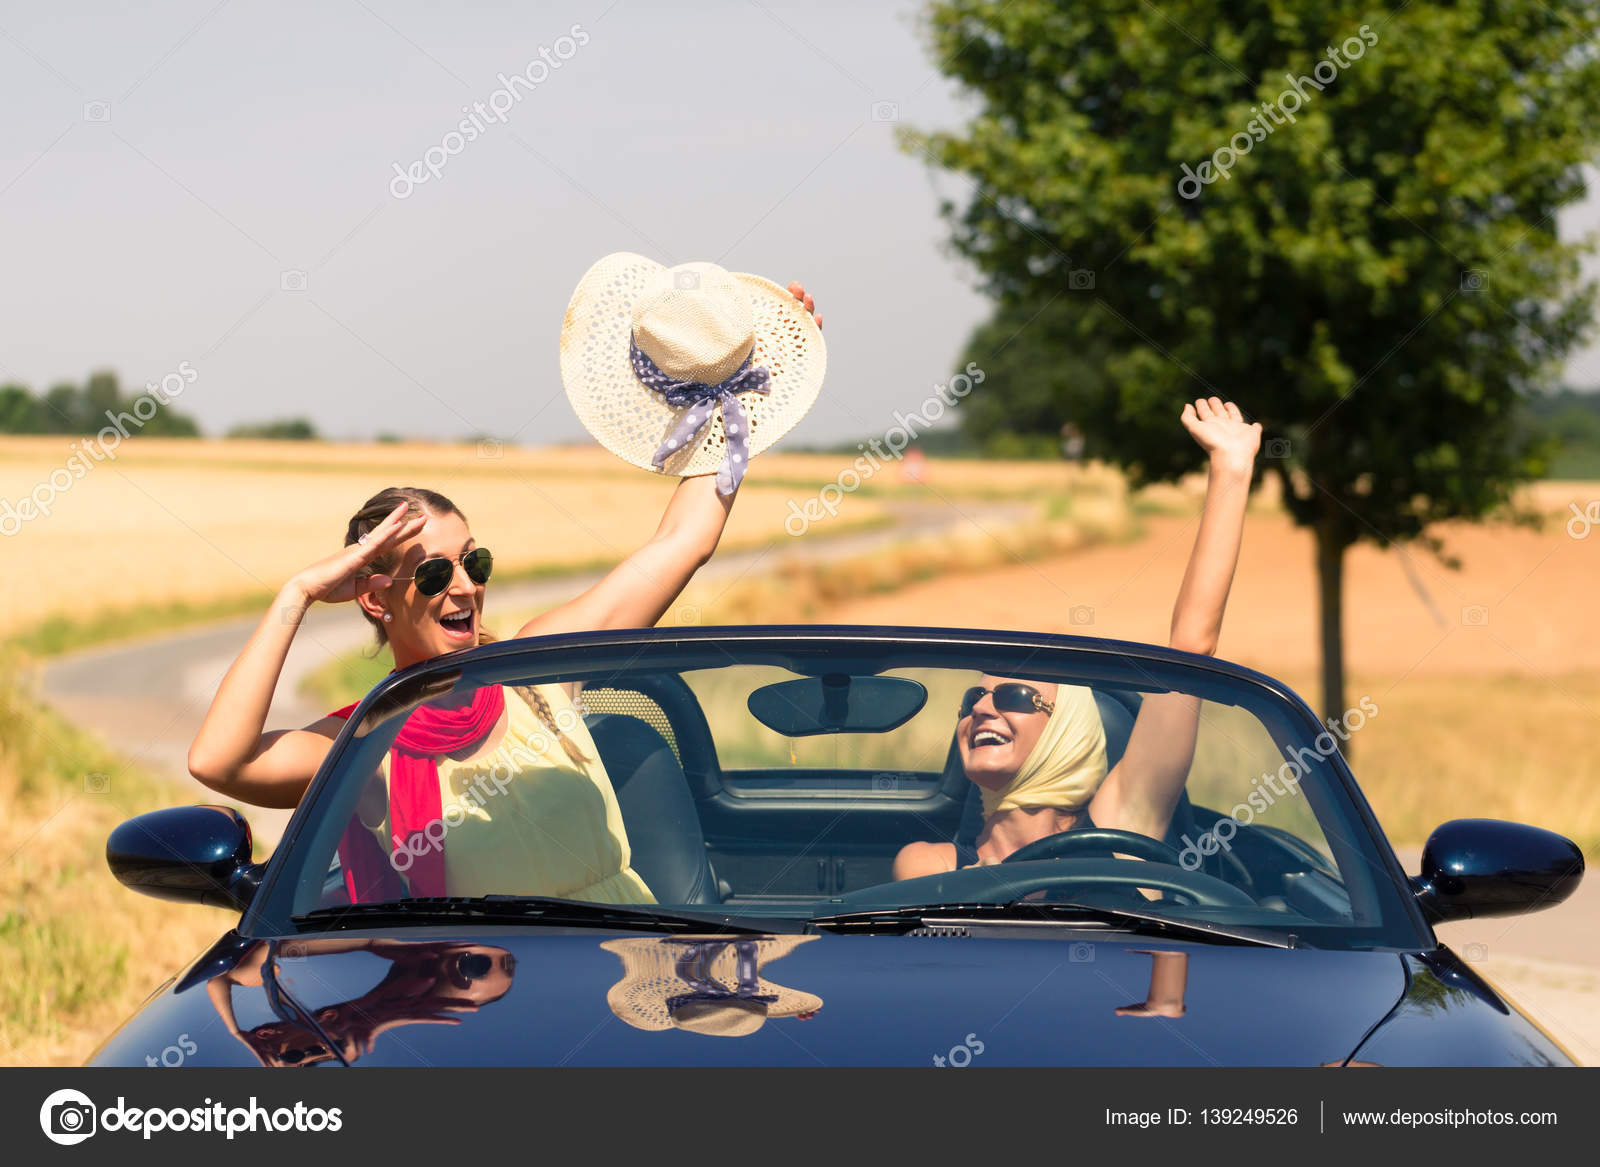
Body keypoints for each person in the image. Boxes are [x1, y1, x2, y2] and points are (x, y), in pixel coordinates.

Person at [187, 270, 823, 904]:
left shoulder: (538, 669)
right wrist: (295, 595)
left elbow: (685, 542)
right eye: (434, 573)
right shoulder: (368, 749)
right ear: (376, 599)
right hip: (494, 998)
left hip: (632, 977)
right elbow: (222, 762)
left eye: (475, 561)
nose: (464, 586)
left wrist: (754, 377)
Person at [892, 397, 1260, 878]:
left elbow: (1190, 650)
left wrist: (1231, 470)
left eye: (1014, 696)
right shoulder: (926, 864)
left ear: (1070, 734)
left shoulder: (1122, 836)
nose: (981, 708)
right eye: (973, 698)